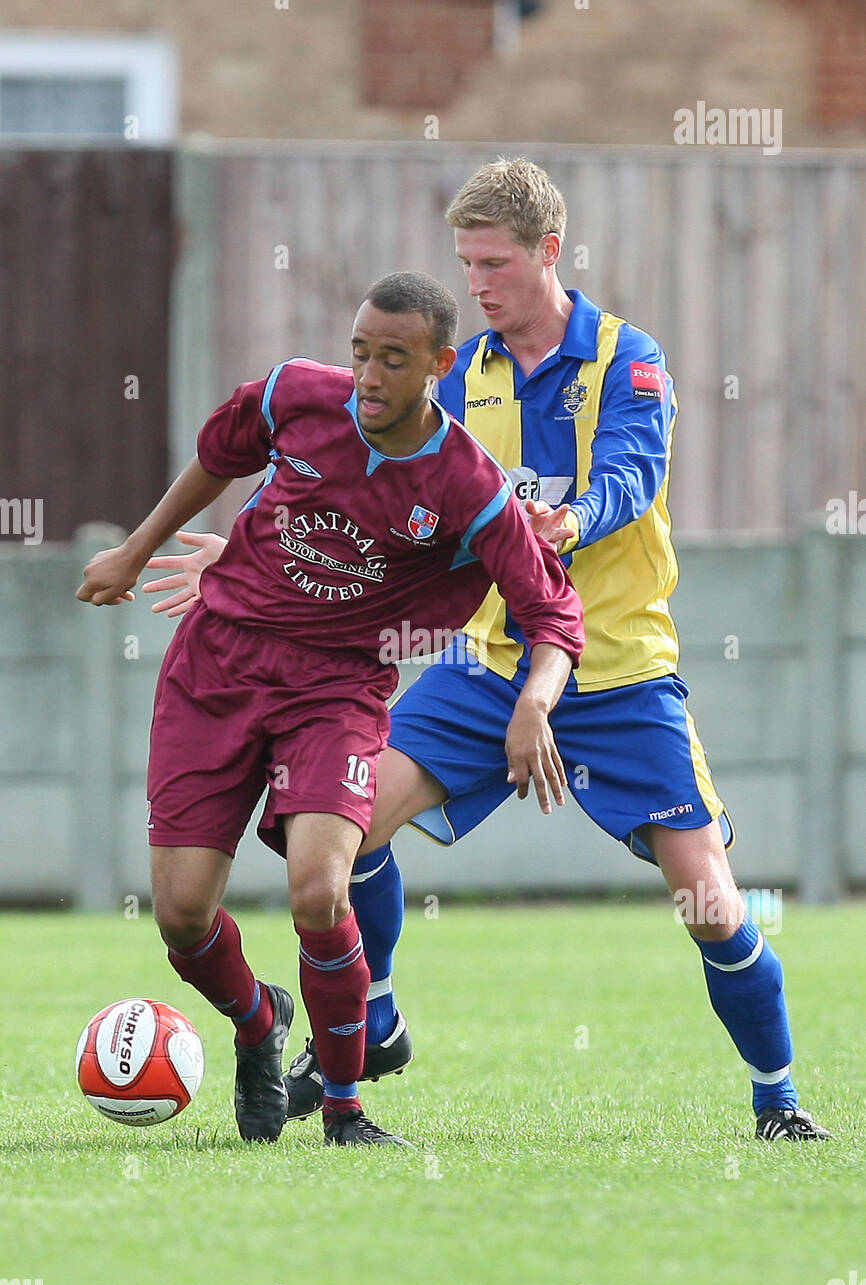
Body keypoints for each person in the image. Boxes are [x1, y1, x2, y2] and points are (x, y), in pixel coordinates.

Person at [150, 160, 831, 1143]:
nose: (475, 282)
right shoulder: (454, 370)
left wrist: (570, 517)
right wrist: (253, 539)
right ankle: (373, 1016)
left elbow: (633, 477)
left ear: (546, 255)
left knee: (710, 905)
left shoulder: (624, 360)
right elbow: (348, 466)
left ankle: (775, 1096)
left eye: (493, 263)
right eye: (464, 263)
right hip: (484, 662)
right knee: (347, 831)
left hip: (618, 669)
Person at [76, 270, 585, 1148]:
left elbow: (552, 613)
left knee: (318, 888)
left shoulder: (468, 484)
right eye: (361, 353)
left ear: (439, 362)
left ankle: (346, 1109)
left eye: (394, 359)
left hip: (338, 688)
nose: (371, 376)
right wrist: (134, 548)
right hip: (217, 666)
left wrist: (533, 705)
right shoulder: (295, 397)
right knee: (181, 914)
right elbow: (216, 458)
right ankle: (254, 1019)